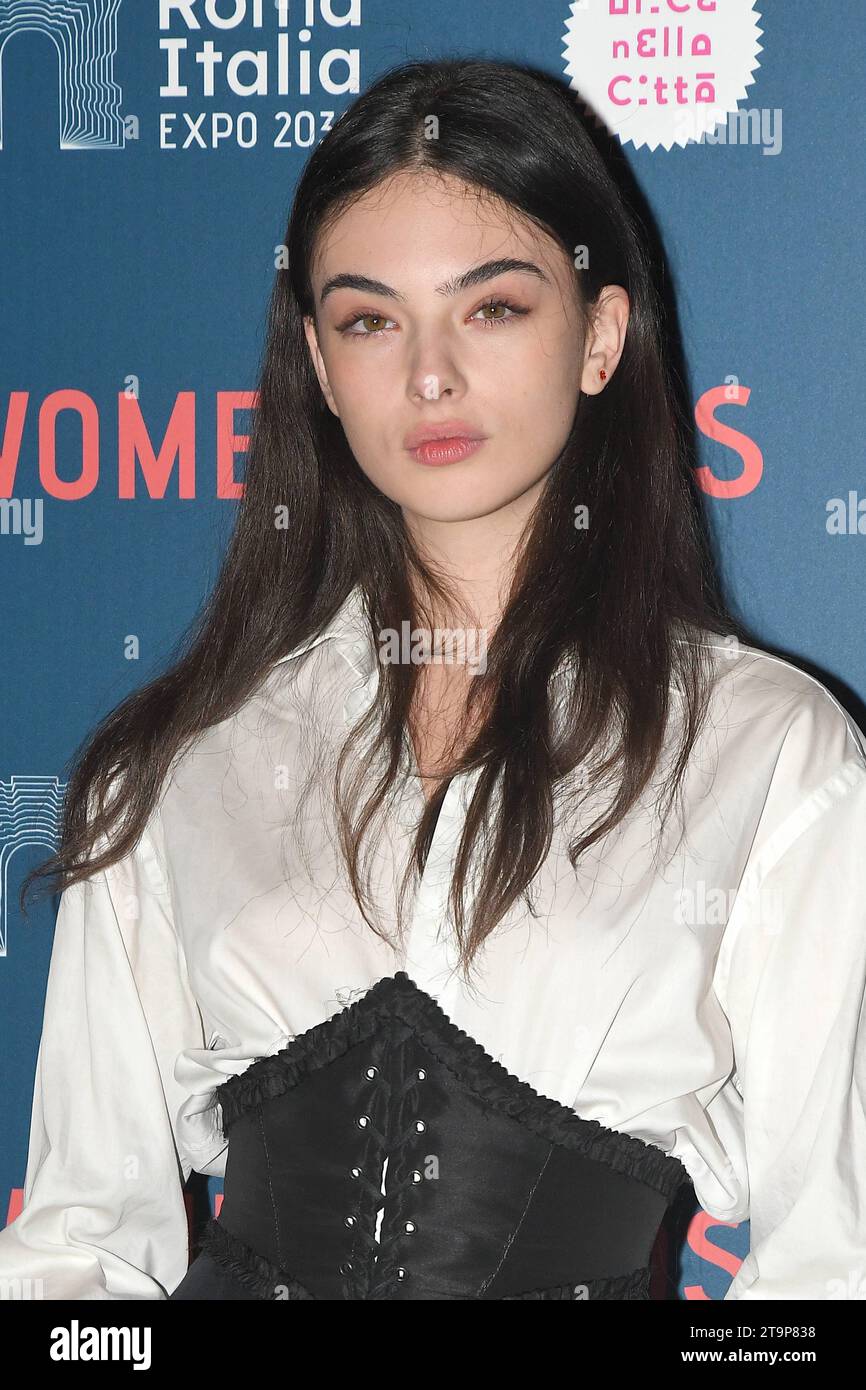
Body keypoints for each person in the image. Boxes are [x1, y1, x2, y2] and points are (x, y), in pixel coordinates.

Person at [3, 57, 865, 1302]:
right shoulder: (179, 761)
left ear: (600, 336)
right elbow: (77, 1259)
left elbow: (827, 1275)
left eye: (493, 308)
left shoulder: (768, 754)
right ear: (316, 358)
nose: (427, 375)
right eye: (368, 319)